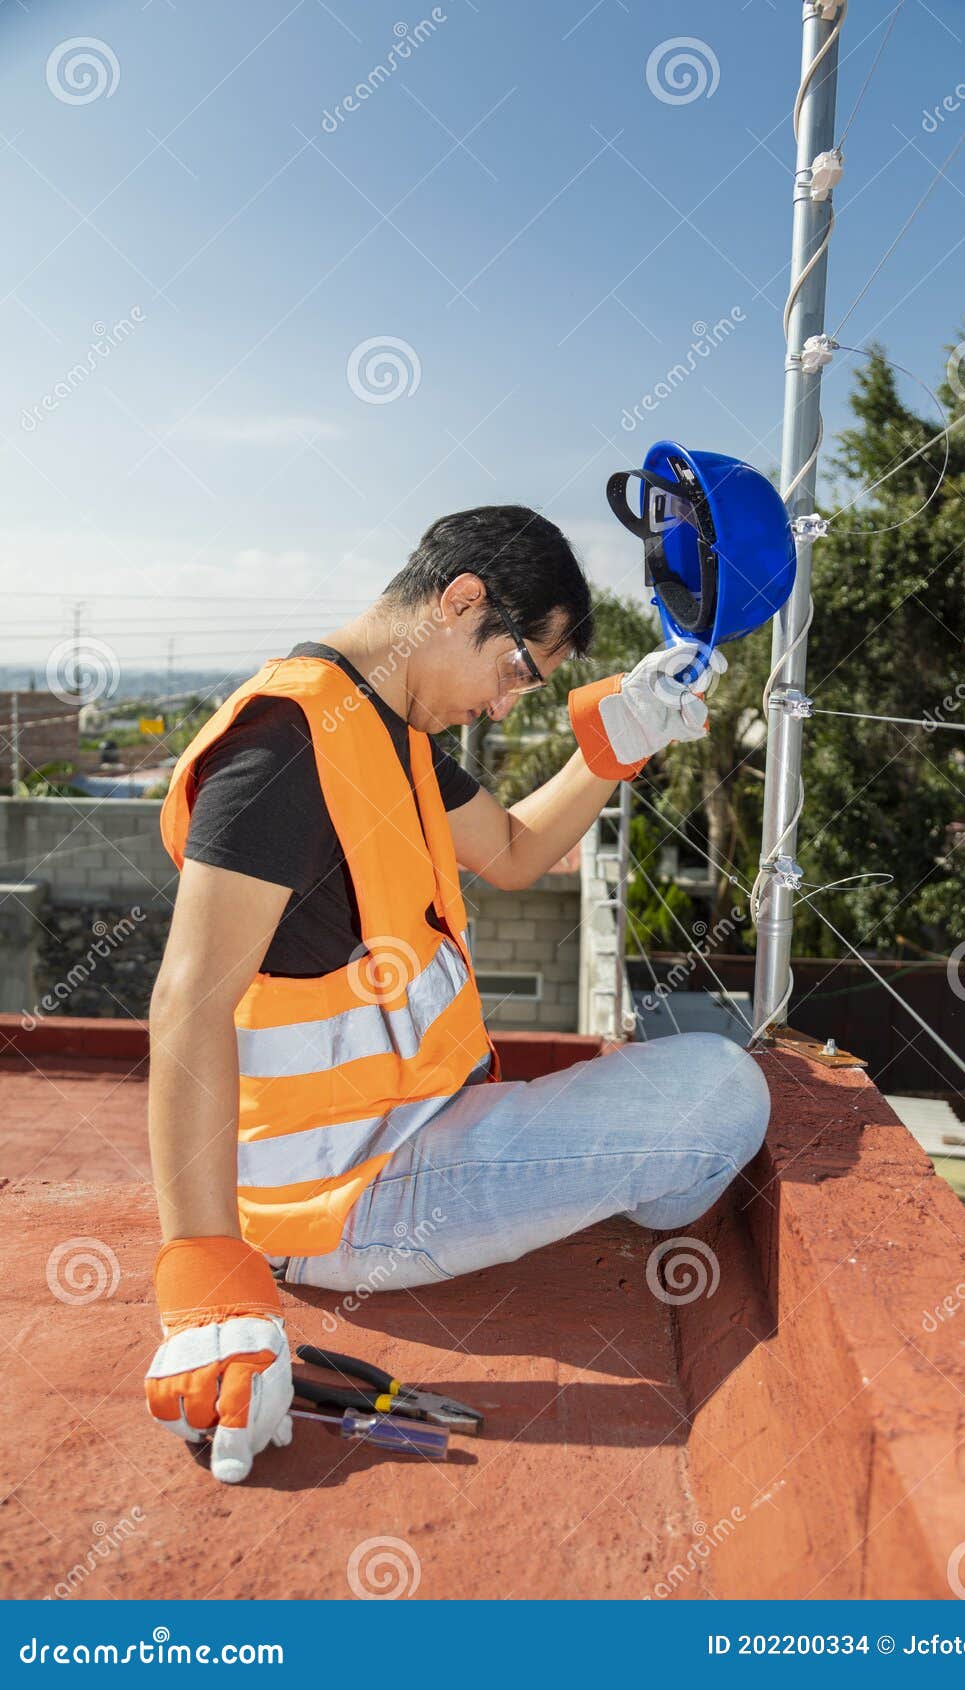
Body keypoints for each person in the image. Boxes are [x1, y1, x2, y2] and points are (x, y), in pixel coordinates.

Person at [144, 505, 771, 1483]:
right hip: (346, 1197)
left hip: (425, 1127)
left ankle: (615, 1184)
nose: (504, 704)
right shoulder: (284, 746)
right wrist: (206, 1284)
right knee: (720, 1092)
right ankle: (637, 1195)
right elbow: (187, 1005)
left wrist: (616, 740)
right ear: (460, 600)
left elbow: (516, 851)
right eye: (519, 669)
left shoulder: (387, 731)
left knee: (701, 1086)